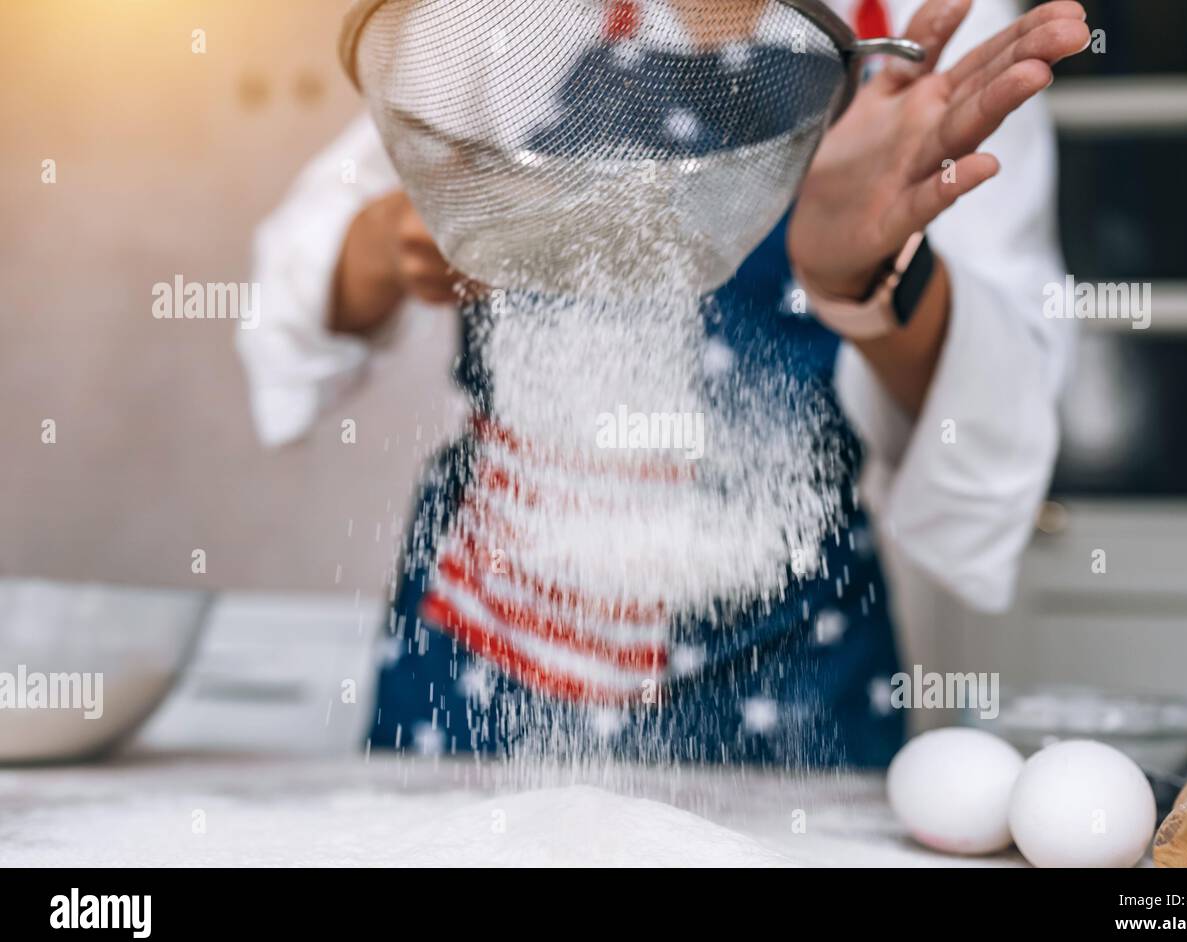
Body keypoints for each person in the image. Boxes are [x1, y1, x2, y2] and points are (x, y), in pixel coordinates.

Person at [240, 0, 1091, 767]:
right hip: (487, 647)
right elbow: (294, 296)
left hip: (791, 660)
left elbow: (994, 428)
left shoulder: (921, 24)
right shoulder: (506, 21)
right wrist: (395, 238)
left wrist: (871, 275)